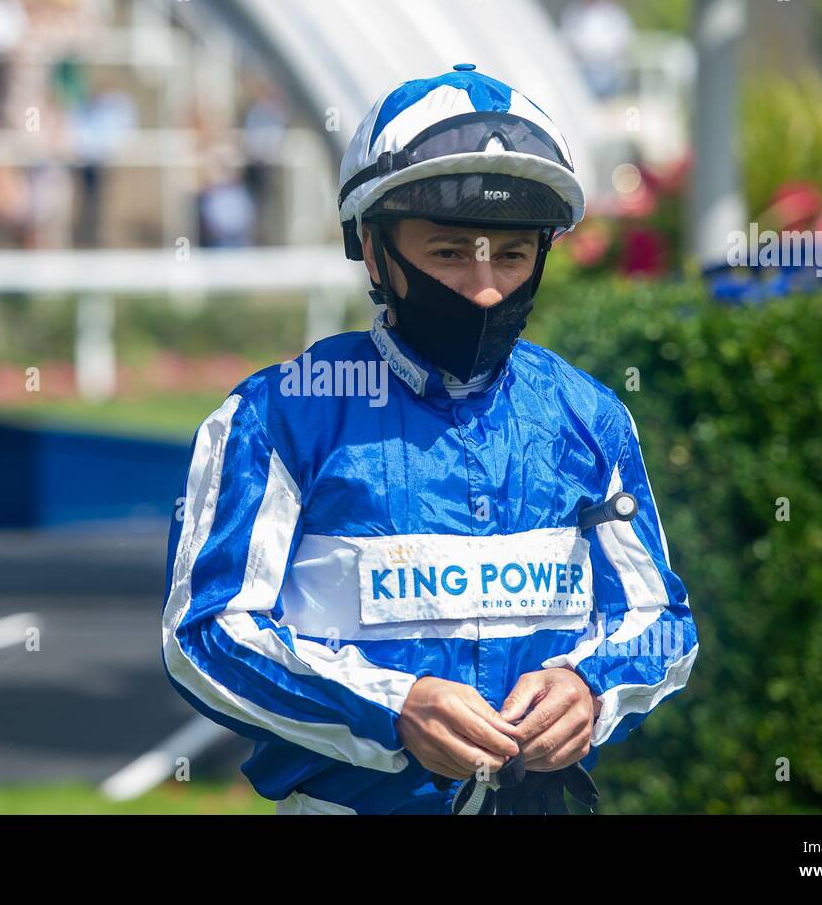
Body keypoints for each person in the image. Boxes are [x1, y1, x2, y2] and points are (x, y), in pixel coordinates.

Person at [162, 65, 697, 815]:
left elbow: (660, 619)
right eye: (449, 252)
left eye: (511, 255)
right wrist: (393, 707)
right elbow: (204, 634)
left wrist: (591, 686)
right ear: (374, 251)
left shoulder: (591, 415)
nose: (484, 289)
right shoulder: (277, 415)